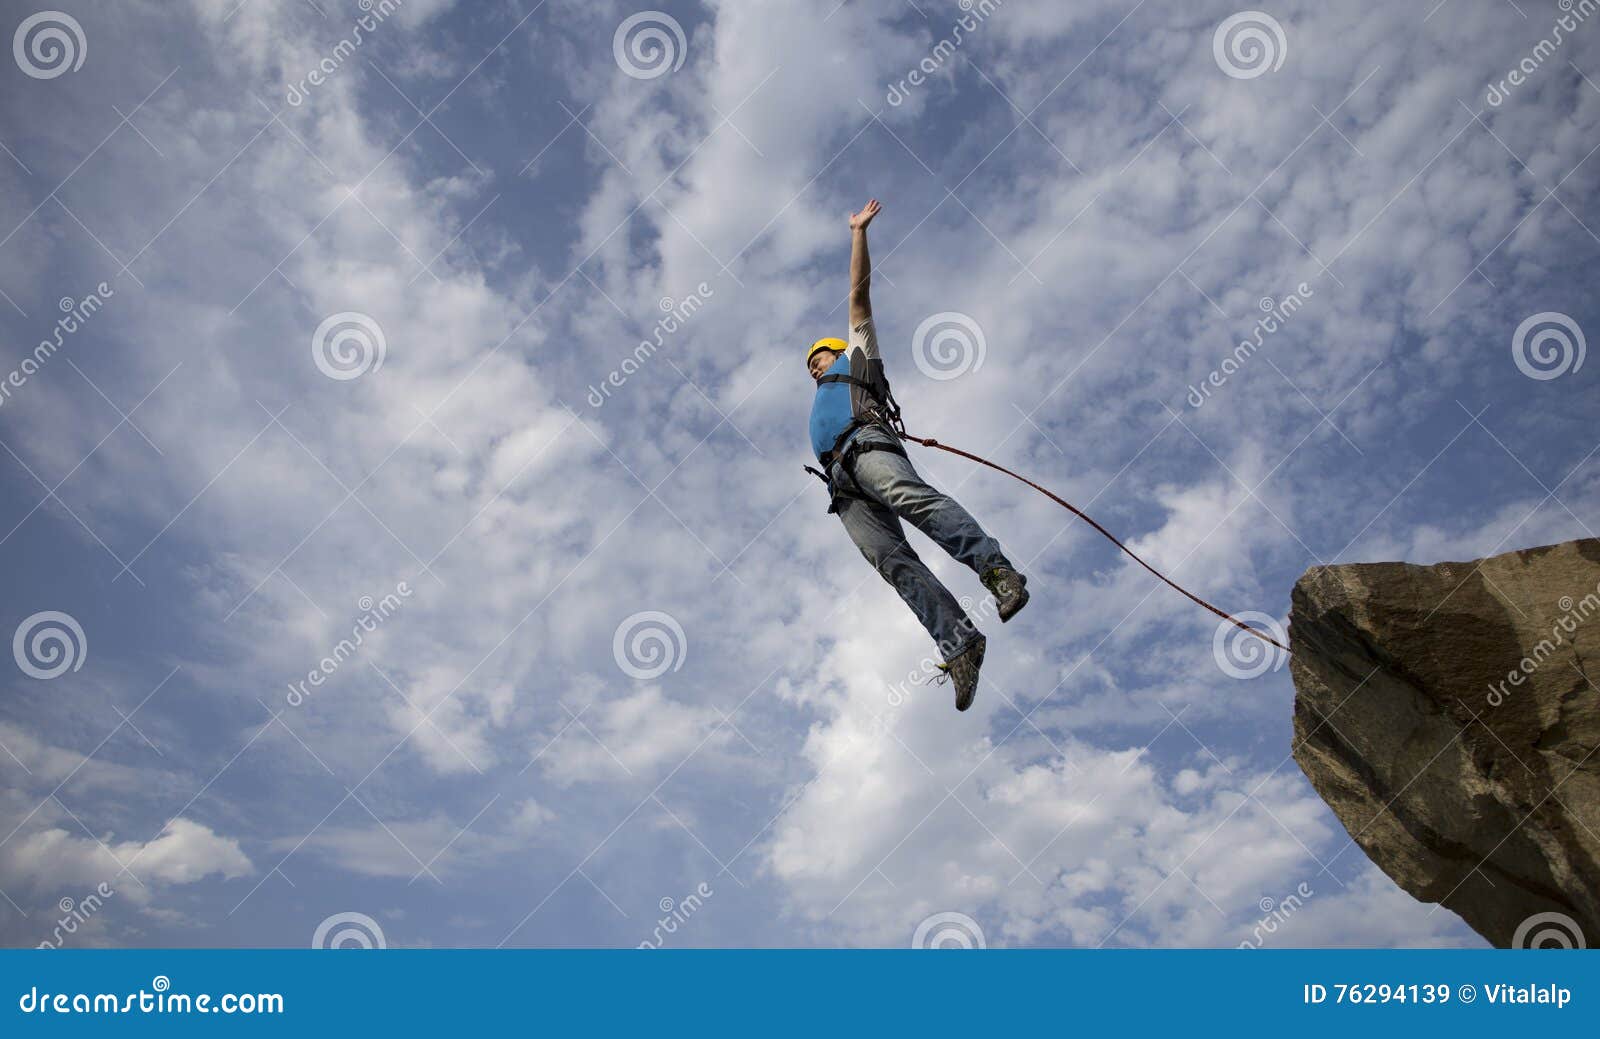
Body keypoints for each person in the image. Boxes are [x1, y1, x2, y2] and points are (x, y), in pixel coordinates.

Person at [806, 198, 1029, 712]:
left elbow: (858, 296)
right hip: (842, 487)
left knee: (916, 500)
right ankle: (960, 642)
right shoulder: (822, 393)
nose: (815, 369)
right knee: (890, 561)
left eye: (819, 359)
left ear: (839, 351)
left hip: (868, 448)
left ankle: (997, 572)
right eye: (811, 367)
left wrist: (858, 233)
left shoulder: (858, 354)